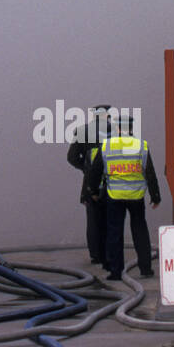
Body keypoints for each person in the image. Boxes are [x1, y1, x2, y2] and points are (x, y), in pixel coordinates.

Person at [87, 118, 161, 280]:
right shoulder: (141, 145)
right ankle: (145, 268)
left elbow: (95, 171)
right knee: (140, 230)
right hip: (136, 196)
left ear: (117, 128)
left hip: (115, 196)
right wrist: (155, 196)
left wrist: (93, 191)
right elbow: (150, 172)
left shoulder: (107, 146)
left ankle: (115, 271)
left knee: (114, 232)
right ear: (132, 128)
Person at [67, 105, 110, 266]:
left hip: (90, 185)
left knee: (93, 220)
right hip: (111, 183)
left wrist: (86, 168)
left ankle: (95, 255)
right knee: (109, 219)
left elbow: (71, 157)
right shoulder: (115, 131)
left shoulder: (82, 132)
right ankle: (108, 253)